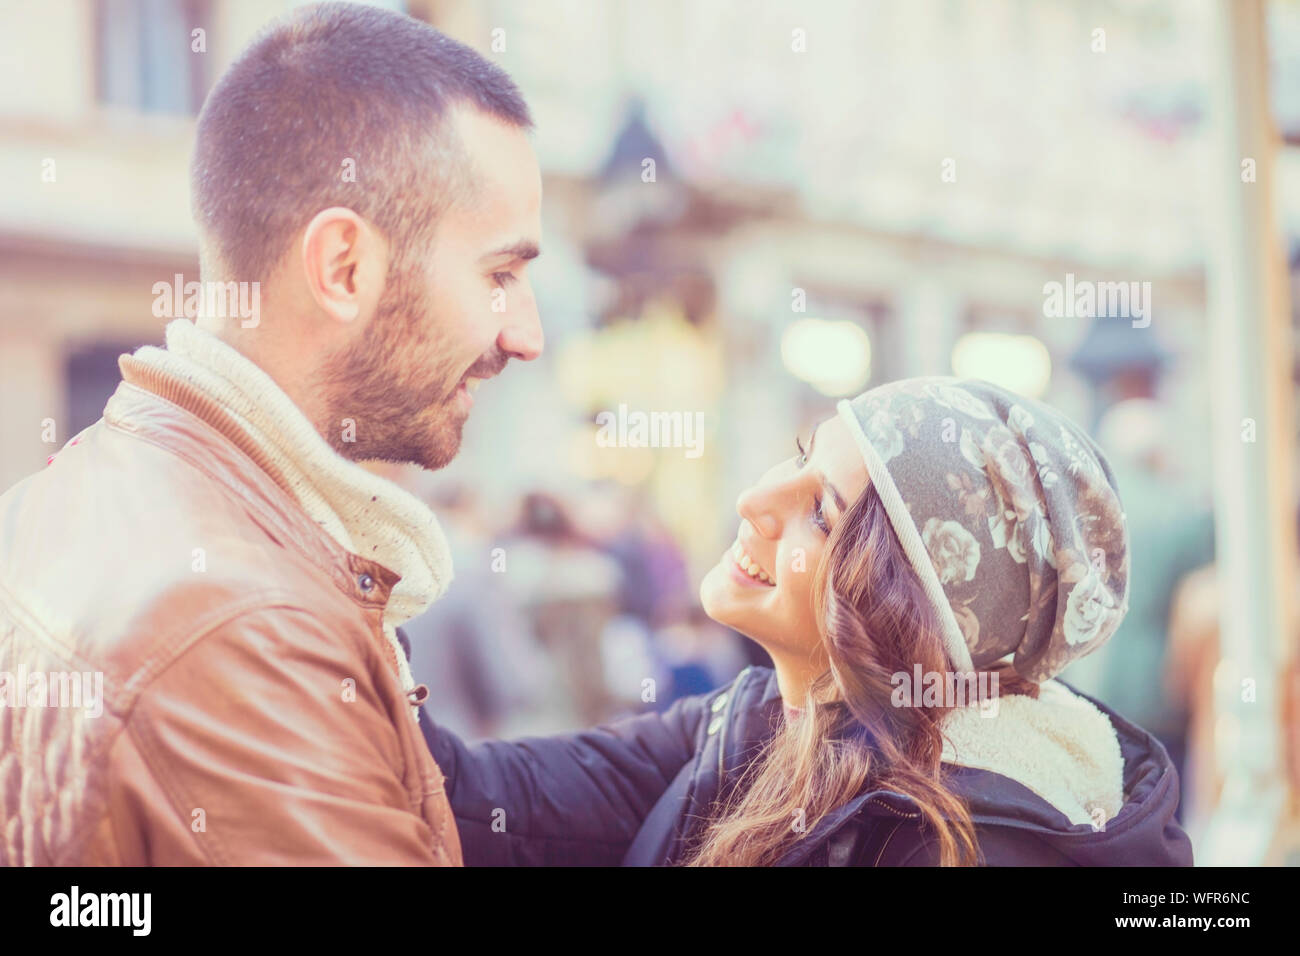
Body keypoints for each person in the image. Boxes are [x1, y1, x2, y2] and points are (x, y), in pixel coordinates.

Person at [0, 3, 542, 865]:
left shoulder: (67, 491)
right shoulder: (240, 623)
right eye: (502, 274)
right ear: (343, 268)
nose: (526, 334)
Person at [425, 377, 1193, 865]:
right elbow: (470, 797)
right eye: (798, 456)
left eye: (822, 514)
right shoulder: (753, 723)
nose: (754, 502)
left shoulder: (957, 845)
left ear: (909, 611)